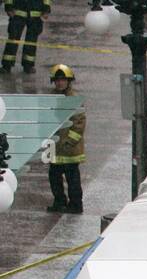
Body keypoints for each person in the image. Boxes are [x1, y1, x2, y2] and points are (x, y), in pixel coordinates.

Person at [48, 64, 85, 215]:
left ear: (69, 81)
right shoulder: (51, 98)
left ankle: (76, 205)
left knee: (72, 178)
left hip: (70, 149)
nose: (59, 83)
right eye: (57, 80)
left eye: (63, 80)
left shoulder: (74, 99)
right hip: (55, 147)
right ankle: (59, 202)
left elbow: (79, 123)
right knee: (54, 177)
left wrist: (69, 142)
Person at [2, 0, 50, 74]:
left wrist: (46, 9)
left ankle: (28, 65)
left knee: (31, 41)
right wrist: (8, 7)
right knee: (13, 39)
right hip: (18, 11)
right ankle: (6, 65)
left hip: (35, 12)